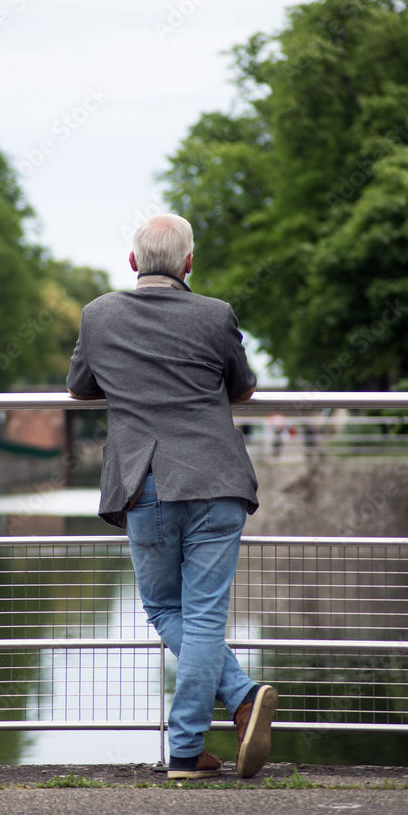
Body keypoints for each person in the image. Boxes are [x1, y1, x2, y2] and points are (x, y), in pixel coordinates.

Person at [67, 213, 277, 779]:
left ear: (133, 263)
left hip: (146, 480)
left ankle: (198, 742)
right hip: (217, 479)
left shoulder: (98, 315)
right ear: (189, 264)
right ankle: (228, 709)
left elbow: (80, 385)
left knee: (165, 609)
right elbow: (243, 386)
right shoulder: (216, 315)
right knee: (205, 615)